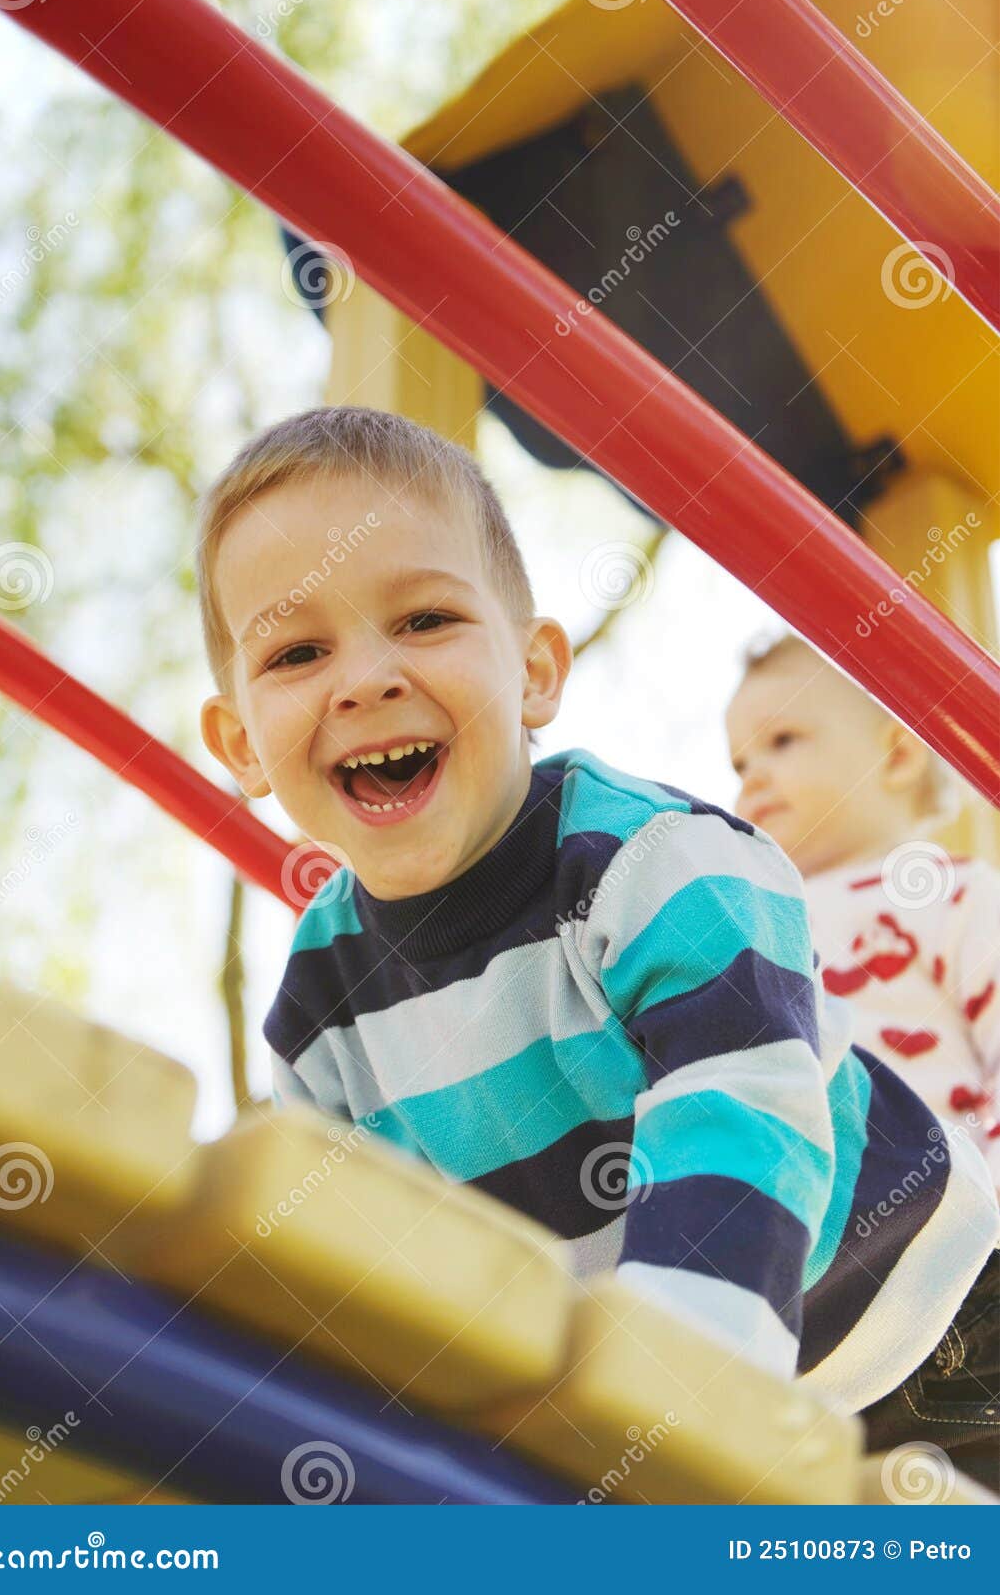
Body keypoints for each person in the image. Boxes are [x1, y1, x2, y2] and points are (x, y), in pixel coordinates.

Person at [196, 406, 997, 1469]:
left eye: (427, 620)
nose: (367, 678)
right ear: (241, 741)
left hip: (921, 1313)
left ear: (534, 672)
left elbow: (740, 1112)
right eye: (298, 650)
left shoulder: (657, 865)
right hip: (696, 1384)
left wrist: (673, 1397)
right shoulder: (321, 1009)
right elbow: (370, 1260)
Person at [727, 630, 999, 1486]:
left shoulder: (951, 891)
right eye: (736, 761)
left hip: (960, 1257)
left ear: (893, 751)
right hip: (812, 1291)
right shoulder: (746, 924)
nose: (749, 779)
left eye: (782, 741)